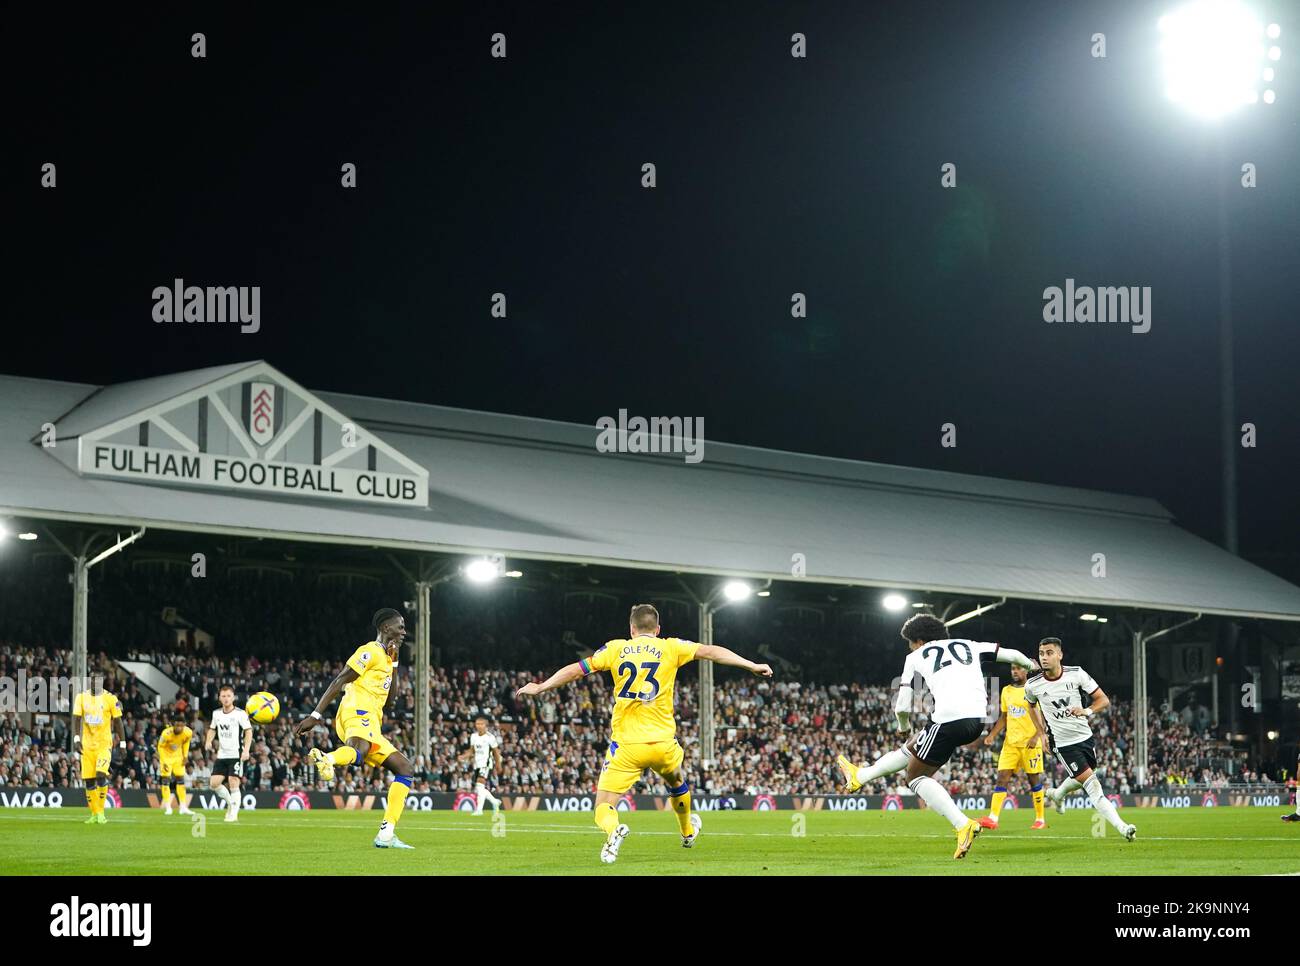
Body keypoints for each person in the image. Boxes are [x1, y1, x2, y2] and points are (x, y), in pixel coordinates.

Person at [515, 602, 772, 864]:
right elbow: (711, 651)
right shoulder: (671, 646)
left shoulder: (616, 649)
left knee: (603, 805)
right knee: (676, 782)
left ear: (631, 628)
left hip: (627, 746)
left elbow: (575, 670)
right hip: (663, 743)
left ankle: (614, 830)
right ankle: (687, 832)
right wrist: (750, 664)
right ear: (658, 628)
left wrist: (542, 686)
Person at [836, 613, 1037, 859]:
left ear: (919, 640)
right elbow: (1014, 656)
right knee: (914, 746)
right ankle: (860, 776)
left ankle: (963, 824)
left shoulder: (915, 656)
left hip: (948, 720)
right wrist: (1030, 666)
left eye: (910, 642)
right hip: (976, 721)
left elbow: (901, 706)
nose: (909, 647)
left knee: (914, 777)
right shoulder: (971, 645)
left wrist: (903, 725)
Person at [296, 608, 417, 849]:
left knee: (405, 768)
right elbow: (340, 679)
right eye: (400, 627)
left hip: (373, 719)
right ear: (385, 629)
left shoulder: (386, 656)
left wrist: (394, 663)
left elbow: (391, 701)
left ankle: (386, 834)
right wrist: (316, 715)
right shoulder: (369, 651)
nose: (404, 632)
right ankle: (327, 757)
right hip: (356, 710)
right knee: (359, 747)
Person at [1027, 637, 1136, 842]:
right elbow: (1030, 705)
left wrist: (1086, 711)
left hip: (1085, 737)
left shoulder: (1076, 674)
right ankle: (1123, 828)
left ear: (1060, 655)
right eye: (1041, 653)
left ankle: (1058, 794)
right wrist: (1041, 733)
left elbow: (1103, 700)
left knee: (1084, 776)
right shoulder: (1033, 685)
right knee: (1092, 785)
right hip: (1063, 743)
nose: (1044, 657)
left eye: (1049, 653)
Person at [978, 662, 1049, 830]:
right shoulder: (1006, 691)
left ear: (1026, 671)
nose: (1015, 672)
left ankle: (1040, 819)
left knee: (1033, 780)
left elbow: (1043, 719)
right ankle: (993, 818)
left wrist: (1036, 735)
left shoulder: (1033, 689)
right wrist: (992, 735)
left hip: (1030, 744)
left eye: (1018, 669)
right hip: (1010, 744)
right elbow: (1004, 717)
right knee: (1002, 777)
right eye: (1012, 669)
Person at [72, 677, 126, 825]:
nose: (96, 684)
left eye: (99, 681)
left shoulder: (110, 699)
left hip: (104, 745)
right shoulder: (81, 697)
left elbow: (118, 722)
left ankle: (101, 813)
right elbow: (76, 719)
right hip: (87, 746)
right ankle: (94, 814)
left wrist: (122, 744)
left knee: (101, 774)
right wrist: (77, 739)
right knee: (89, 781)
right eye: (93, 681)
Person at [205, 685, 252, 823]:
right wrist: (208, 741)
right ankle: (231, 803)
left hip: (236, 753)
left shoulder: (240, 714)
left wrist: (246, 750)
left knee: (233, 781)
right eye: (223, 696)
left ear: (233, 697)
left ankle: (234, 814)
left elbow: (248, 731)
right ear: (219, 697)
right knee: (214, 784)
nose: (226, 699)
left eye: (228, 696)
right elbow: (212, 729)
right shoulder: (216, 714)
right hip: (222, 754)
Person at [458, 715, 502, 815]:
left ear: (485, 725)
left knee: (479, 785)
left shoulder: (490, 737)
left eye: (481, 724)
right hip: (477, 764)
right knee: (480, 788)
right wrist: (463, 756)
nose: (479, 726)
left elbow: (496, 752)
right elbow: (472, 750)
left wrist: (498, 764)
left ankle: (479, 810)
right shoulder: (473, 736)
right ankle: (495, 802)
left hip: (486, 764)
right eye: (477, 724)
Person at [156, 713, 194, 815]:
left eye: (181, 726)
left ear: (184, 725)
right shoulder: (166, 733)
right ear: (173, 724)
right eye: (177, 725)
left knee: (181, 780)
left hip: (178, 758)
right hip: (166, 758)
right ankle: (168, 807)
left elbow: (186, 742)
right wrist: (163, 761)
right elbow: (160, 747)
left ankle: (183, 807)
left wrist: (185, 756)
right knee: (165, 781)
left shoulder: (188, 732)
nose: (179, 728)